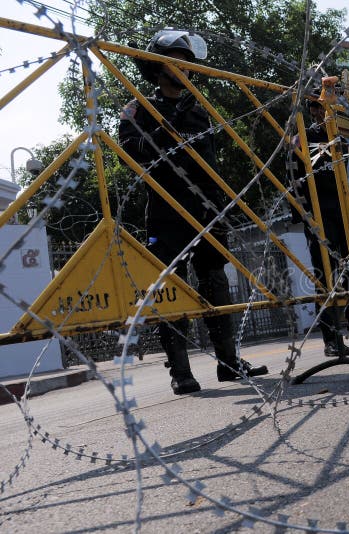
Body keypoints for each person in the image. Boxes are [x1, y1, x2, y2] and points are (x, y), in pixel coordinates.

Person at [119, 30, 267, 395]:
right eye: (177, 60)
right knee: (172, 289)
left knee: (215, 282)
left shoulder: (199, 111)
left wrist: (220, 205)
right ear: (158, 65)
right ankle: (181, 372)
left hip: (205, 208)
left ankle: (229, 362)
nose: (184, 69)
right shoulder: (137, 107)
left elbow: (210, 164)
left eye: (187, 62)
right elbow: (130, 151)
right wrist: (166, 127)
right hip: (166, 211)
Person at [289, 98, 349, 356]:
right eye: (320, 106)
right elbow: (291, 177)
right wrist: (304, 215)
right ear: (312, 111)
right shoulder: (302, 138)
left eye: (330, 106)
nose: (326, 111)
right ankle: (332, 339)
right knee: (326, 274)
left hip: (346, 212)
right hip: (320, 214)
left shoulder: (344, 137)